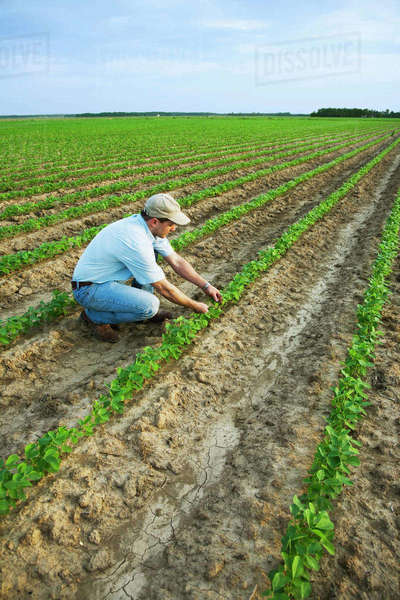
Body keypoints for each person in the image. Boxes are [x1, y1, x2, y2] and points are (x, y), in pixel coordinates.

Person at [71, 193, 222, 342]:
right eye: (170, 224)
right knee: (150, 305)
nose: (174, 228)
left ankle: (142, 313)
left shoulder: (148, 228)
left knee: (153, 254)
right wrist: (194, 305)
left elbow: (177, 261)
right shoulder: (136, 240)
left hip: (108, 281)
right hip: (89, 289)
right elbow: (164, 289)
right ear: (155, 221)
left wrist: (206, 285)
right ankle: (94, 317)